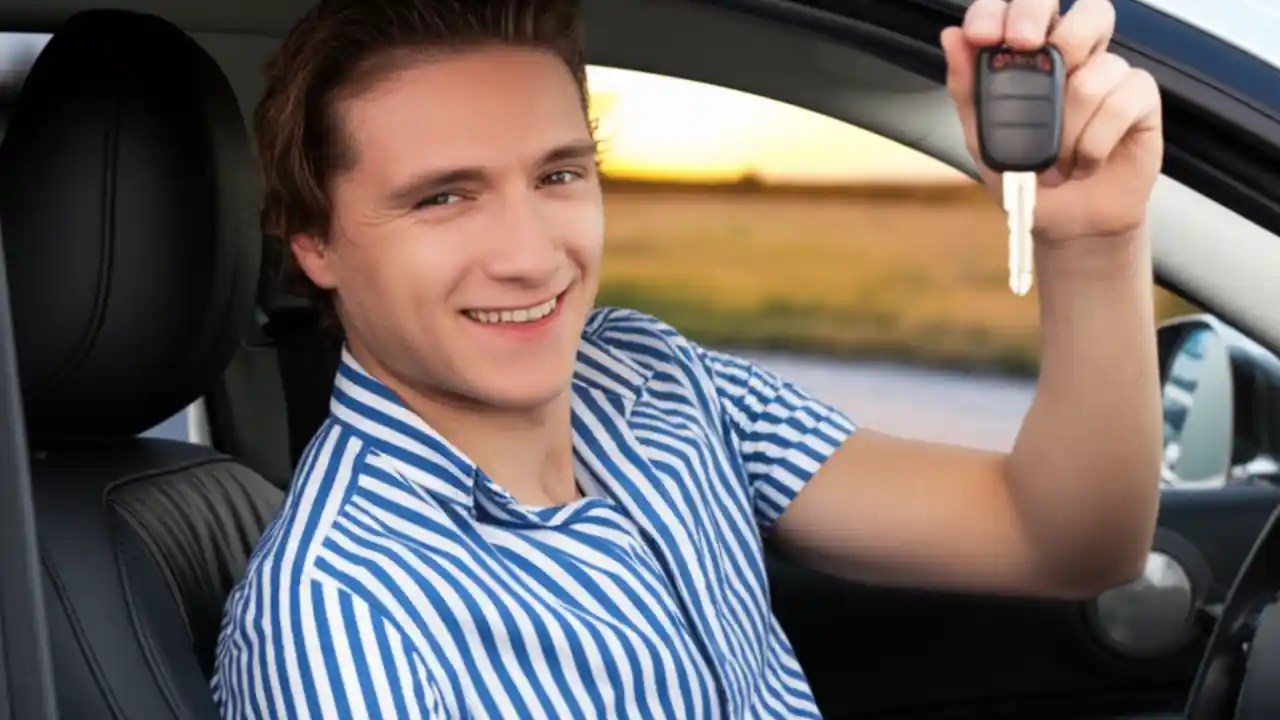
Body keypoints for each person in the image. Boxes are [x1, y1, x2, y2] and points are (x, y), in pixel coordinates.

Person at [212, 0, 1164, 716]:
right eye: (443, 199)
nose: (531, 255)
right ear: (314, 243)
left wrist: (1092, 240)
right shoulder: (340, 620)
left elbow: (1063, 541)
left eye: (557, 174)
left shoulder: (654, 377)